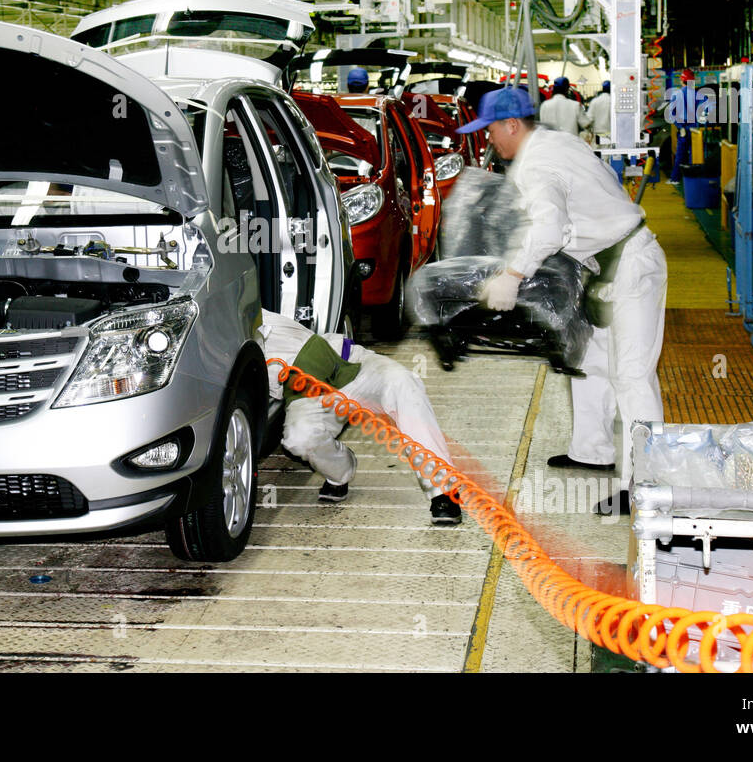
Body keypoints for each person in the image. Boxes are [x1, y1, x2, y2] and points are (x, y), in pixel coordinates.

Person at [456, 88, 667, 515]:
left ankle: (646, 485)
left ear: (512, 125)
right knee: (587, 359)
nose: (489, 140)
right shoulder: (556, 141)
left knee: (631, 375)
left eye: (491, 130)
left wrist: (512, 276)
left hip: (629, 264)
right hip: (603, 266)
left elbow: (549, 229)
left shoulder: (536, 165)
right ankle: (592, 450)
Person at [258, 308, 462, 524]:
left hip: (350, 364)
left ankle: (442, 491)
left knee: (403, 383)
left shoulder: (245, 311)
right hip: (306, 393)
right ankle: (340, 472)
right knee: (299, 439)